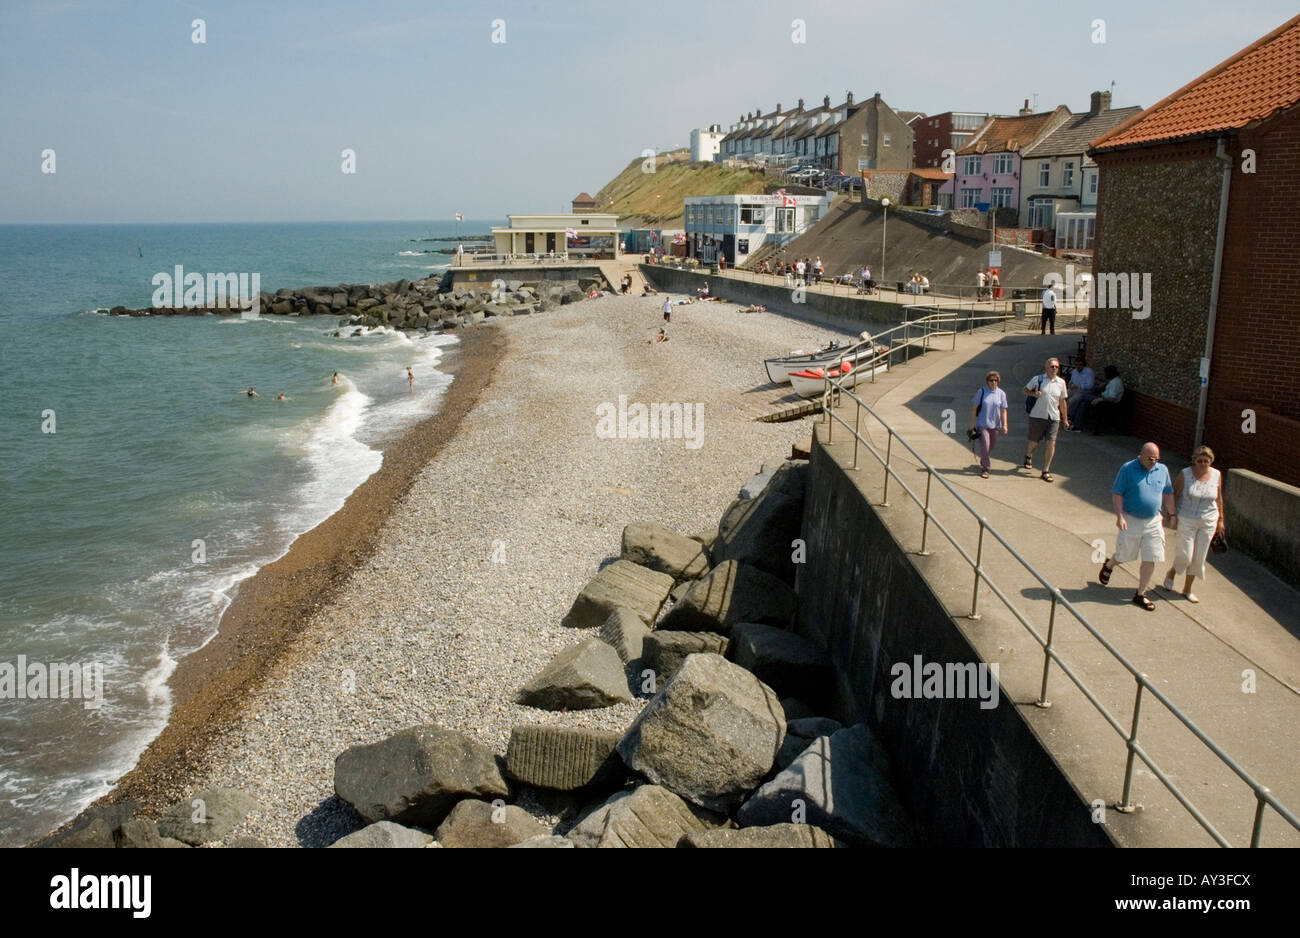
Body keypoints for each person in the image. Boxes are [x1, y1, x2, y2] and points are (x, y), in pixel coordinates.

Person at [1099, 443, 1177, 611]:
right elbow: (1117, 493)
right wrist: (1119, 516)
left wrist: (1172, 515)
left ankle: (1141, 593)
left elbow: (1168, 493)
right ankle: (1110, 564)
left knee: (1151, 556)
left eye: (1156, 459)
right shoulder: (1127, 469)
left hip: (1154, 521)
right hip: (1131, 518)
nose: (1153, 462)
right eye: (1150, 458)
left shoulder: (1162, 470)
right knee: (1124, 555)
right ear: (1140, 455)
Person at [1163, 445, 1224, 603]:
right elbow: (1174, 494)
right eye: (1200, 461)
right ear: (1194, 461)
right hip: (1187, 519)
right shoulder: (1185, 474)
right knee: (1185, 555)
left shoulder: (1216, 474)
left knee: (1199, 557)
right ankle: (1172, 573)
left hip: (1208, 520)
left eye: (1206, 461)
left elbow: (1218, 499)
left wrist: (1221, 520)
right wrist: (1172, 515)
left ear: (1211, 461)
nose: (1203, 464)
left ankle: (1187, 589)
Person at [1022, 357, 1069, 482]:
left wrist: (1065, 419)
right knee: (1034, 442)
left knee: (1051, 442)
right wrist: (1033, 394)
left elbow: (1062, 401)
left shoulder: (1061, 382)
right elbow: (1025, 390)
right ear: (1046, 368)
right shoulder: (1038, 379)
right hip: (1037, 415)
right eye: (1052, 366)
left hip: (1054, 417)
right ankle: (1028, 455)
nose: (1054, 369)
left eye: (1056, 367)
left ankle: (1046, 470)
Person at [969, 371, 1009, 478]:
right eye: (991, 380)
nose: (994, 382)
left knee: (991, 446)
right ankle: (986, 468)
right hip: (982, 424)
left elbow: (1003, 410)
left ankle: (984, 458)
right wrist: (972, 424)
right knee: (985, 445)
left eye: (996, 380)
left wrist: (1005, 425)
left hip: (995, 425)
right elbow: (974, 409)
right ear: (987, 381)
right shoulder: (981, 392)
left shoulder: (1001, 394)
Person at [1088, 365, 1125, 434]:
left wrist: (1100, 399)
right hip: (1103, 398)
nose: (1105, 375)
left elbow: (1112, 397)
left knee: (1081, 397)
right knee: (1081, 400)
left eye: (1106, 373)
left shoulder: (1115, 383)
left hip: (1109, 403)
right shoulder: (1112, 381)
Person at [1066, 356, 1096, 428]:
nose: (1078, 367)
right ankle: (1061, 414)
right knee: (1063, 396)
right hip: (1074, 389)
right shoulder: (1074, 371)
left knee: (1073, 400)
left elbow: (1090, 386)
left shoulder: (1089, 372)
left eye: (1080, 365)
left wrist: (1078, 386)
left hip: (1085, 391)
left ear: (1083, 365)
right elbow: (1072, 381)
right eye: (1076, 365)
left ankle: (1069, 416)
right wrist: (1070, 384)